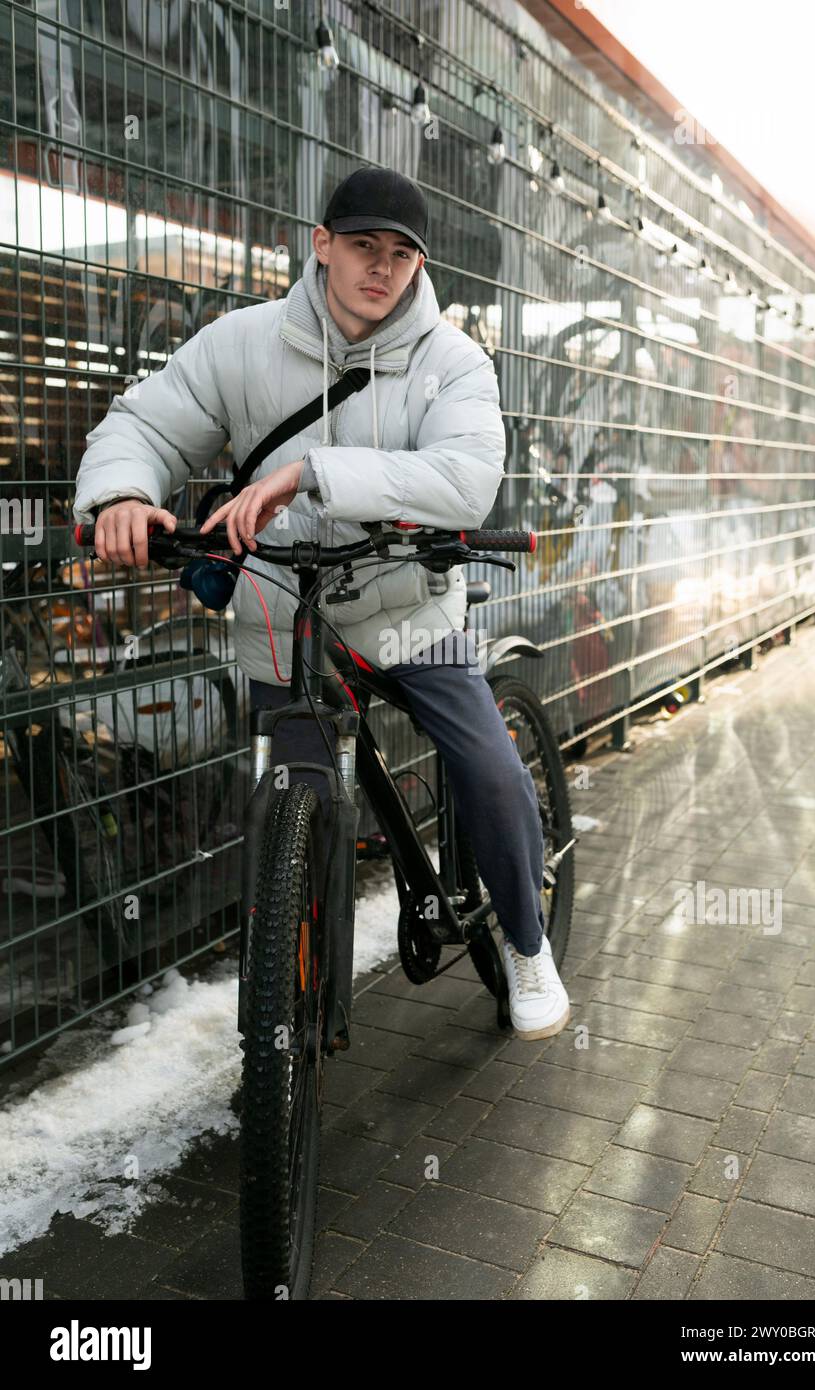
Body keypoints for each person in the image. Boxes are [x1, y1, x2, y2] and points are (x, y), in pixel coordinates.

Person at [73, 166, 570, 1040]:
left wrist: (312, 475)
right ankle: (295, 1010)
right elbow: (146, 424)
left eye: (402, 254)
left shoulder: (450, 360)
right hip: (280, 612)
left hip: (409, 608)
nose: (382, 269)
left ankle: (528, 942)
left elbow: (465, 479)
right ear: (323, 246)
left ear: (418, 265)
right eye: (364, 247)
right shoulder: (242, 343)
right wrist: (120, 493)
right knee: (295, 801)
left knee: (486, 763)